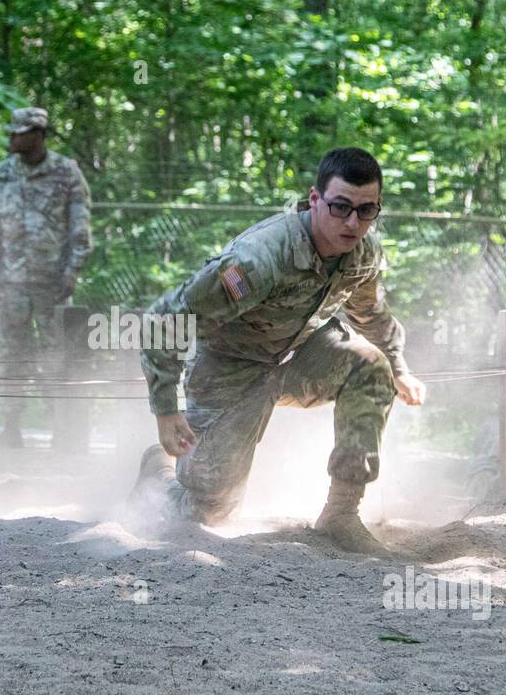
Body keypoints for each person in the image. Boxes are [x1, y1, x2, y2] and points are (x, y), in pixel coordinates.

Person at [130, 147, 426, 553]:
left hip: (302, 354)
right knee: (207, 510)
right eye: (340, 207)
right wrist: (165, 410)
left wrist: (399, 366)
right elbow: (166, 320)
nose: (354, 222)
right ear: (314, 199)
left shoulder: (363, 253)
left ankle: (341, 514)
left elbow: (369, 312)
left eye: (367, 210)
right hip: (230, 366)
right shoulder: (260, 259)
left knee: (370, 366)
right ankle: (159, 472)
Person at [0, 106, 91, 448]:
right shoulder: (2, 175)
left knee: (55, 357)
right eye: (11, 131)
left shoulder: (66, 173)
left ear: (38, 135)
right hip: (11, 285)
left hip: (51, 286)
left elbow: (79, 227)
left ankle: (61, 433)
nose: (12, 138)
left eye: (19, 132)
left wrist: (72, 270)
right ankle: (11, 430)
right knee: (10, 356)